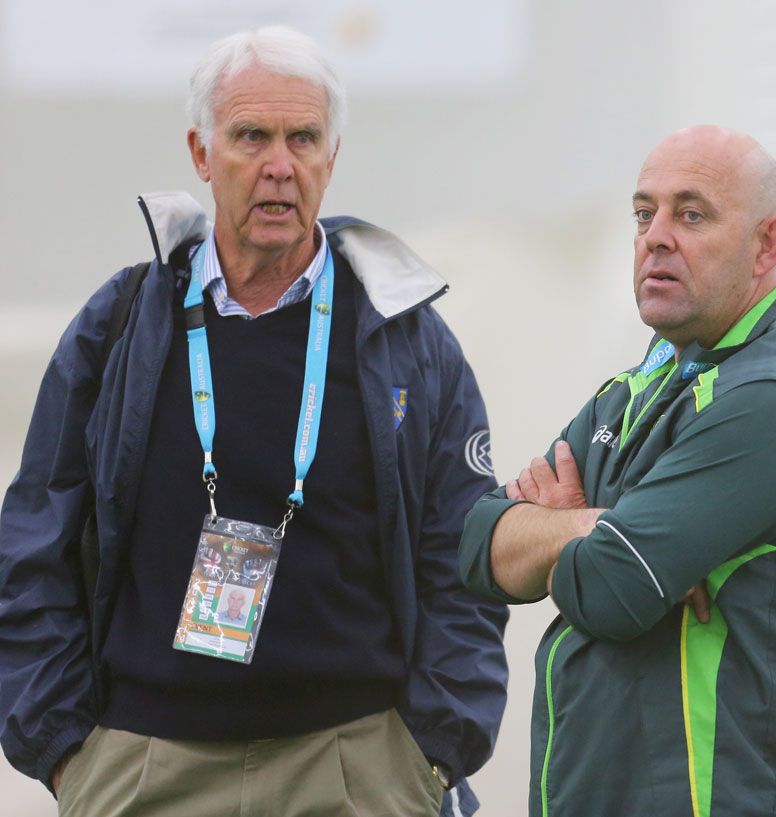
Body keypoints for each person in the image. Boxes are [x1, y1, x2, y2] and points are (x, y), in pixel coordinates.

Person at [0, 26, 508, 817]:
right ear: (201, 153)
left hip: (356, 766)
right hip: (147, 767)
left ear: (331, 157)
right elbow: (36, 541)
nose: (280, 165)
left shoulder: (404, 336)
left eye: (303, 138)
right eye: (251, 137)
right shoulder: (122, 322)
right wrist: (67, 752)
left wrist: (432, 753)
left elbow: (463, 552)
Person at [459, 126, 776, 817]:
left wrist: (571, 542)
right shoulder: (639, 386)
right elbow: (475, 545)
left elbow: (611, 589)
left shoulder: (774, 401)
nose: (656, 238)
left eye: (692, 215)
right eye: (645, 215)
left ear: (766, 245)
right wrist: (589, 526)